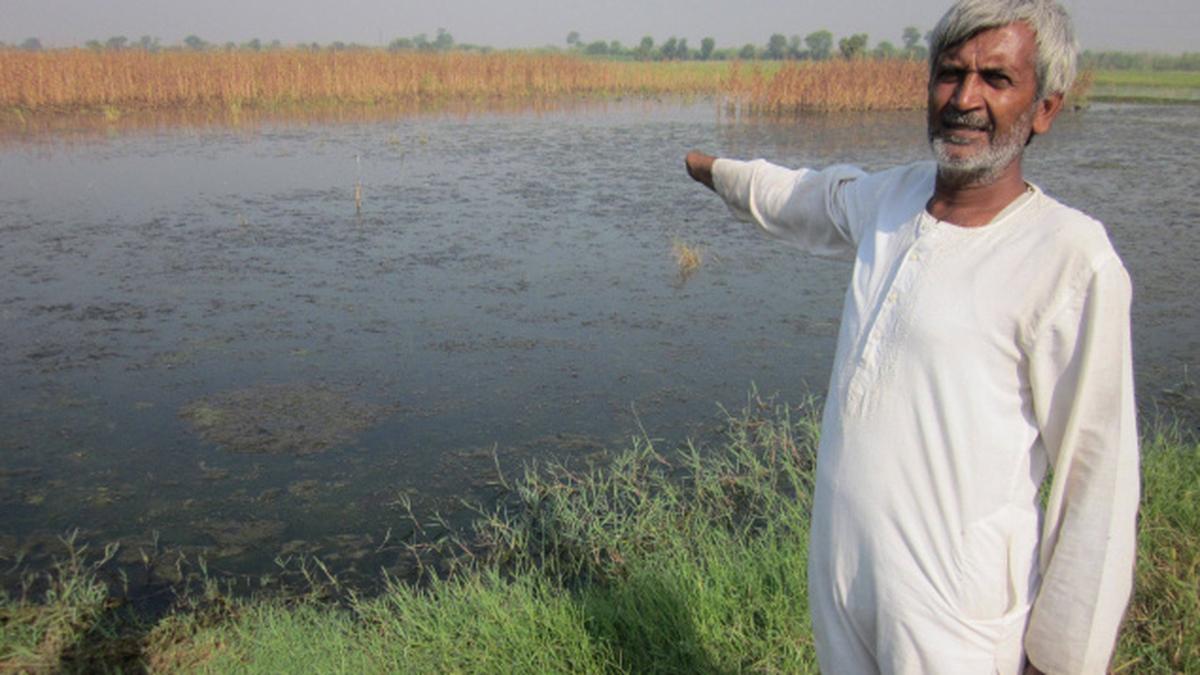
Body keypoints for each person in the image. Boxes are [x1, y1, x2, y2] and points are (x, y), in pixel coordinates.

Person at [684, 1, 1139, 673]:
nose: (965, 98)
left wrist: (1063, 660)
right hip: (845, 582)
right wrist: (712, 168)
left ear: (1043, 109)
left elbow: (1097, 479)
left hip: (954, 616)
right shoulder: (894, 200)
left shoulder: (1070, 257)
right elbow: (804, 196)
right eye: (950, 74)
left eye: (995, 78)